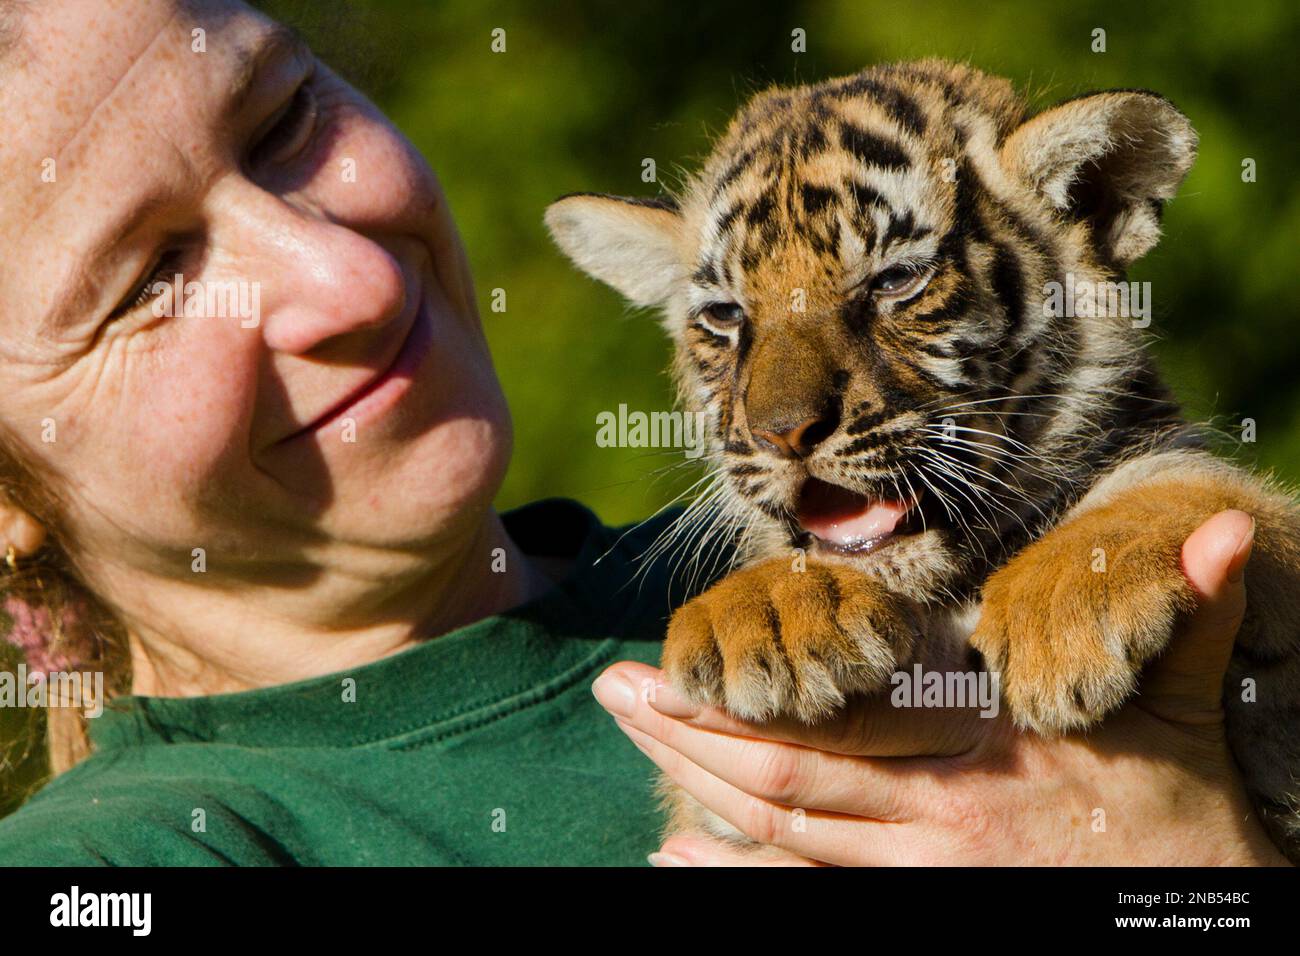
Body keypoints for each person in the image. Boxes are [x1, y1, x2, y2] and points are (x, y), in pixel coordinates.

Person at [0, 0, 1285, 866]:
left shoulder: (728, 574)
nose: (355, 281)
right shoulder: (122, 862)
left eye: (281, 123)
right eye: (148, 274)